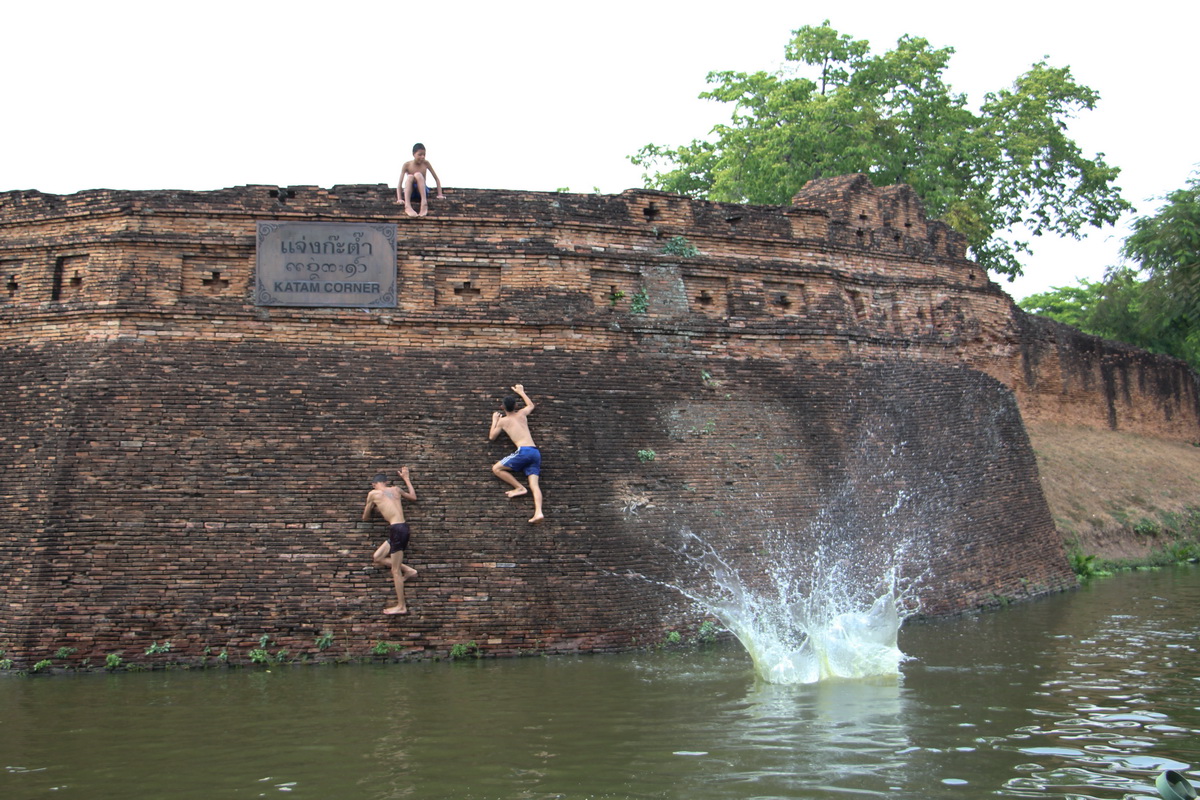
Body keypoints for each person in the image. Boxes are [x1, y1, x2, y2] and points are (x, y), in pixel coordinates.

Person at [361, 468, 419, 615]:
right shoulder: (396, 489)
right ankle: (410, 570)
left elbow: (365, 518)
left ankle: (401, 606)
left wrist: (371, 506)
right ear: (386, 482)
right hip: (401, 528)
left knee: (395, 570)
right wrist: (406, 478)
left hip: (397, 529)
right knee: (378, 557)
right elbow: (413, 497)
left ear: (374, 484)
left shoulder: (373, 494)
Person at [489, 384, 545, 524]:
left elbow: (492, 437)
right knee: (535, 485)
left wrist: (494, 421)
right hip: (535, 452)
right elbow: (531, 406)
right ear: (515, 406)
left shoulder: (503, 421)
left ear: (502, 407)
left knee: (496, 468)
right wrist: (521, 392)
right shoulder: (522, 414)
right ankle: (538, 512)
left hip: (524, 451)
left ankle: (519, 487)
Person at [396, 142, 444, 217]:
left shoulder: (426, 163)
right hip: (411, 191)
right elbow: (400, 184)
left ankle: (424, 203)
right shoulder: (407, 165)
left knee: (418, 175)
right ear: (414, 154)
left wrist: (440, 194)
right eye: (420, 154)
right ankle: (407, 205)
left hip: (421, 190)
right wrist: (399, 198)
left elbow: (436, 179)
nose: (422, 157)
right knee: (410, 177)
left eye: (424, 155)